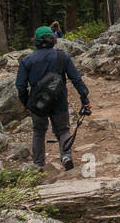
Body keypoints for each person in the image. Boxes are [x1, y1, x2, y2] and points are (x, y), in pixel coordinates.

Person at [16, 25, 91, 171]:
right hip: (59, 100)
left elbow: (20, 86)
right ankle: (66, 156)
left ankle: (38, 165)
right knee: (63, 130)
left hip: (37, 103)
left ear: (36, 41)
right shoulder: (63, 56)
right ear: (53, 39)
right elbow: (76, 79)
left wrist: (27, 103)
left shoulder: (27, 60)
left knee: (38, 131)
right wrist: (84, 99)